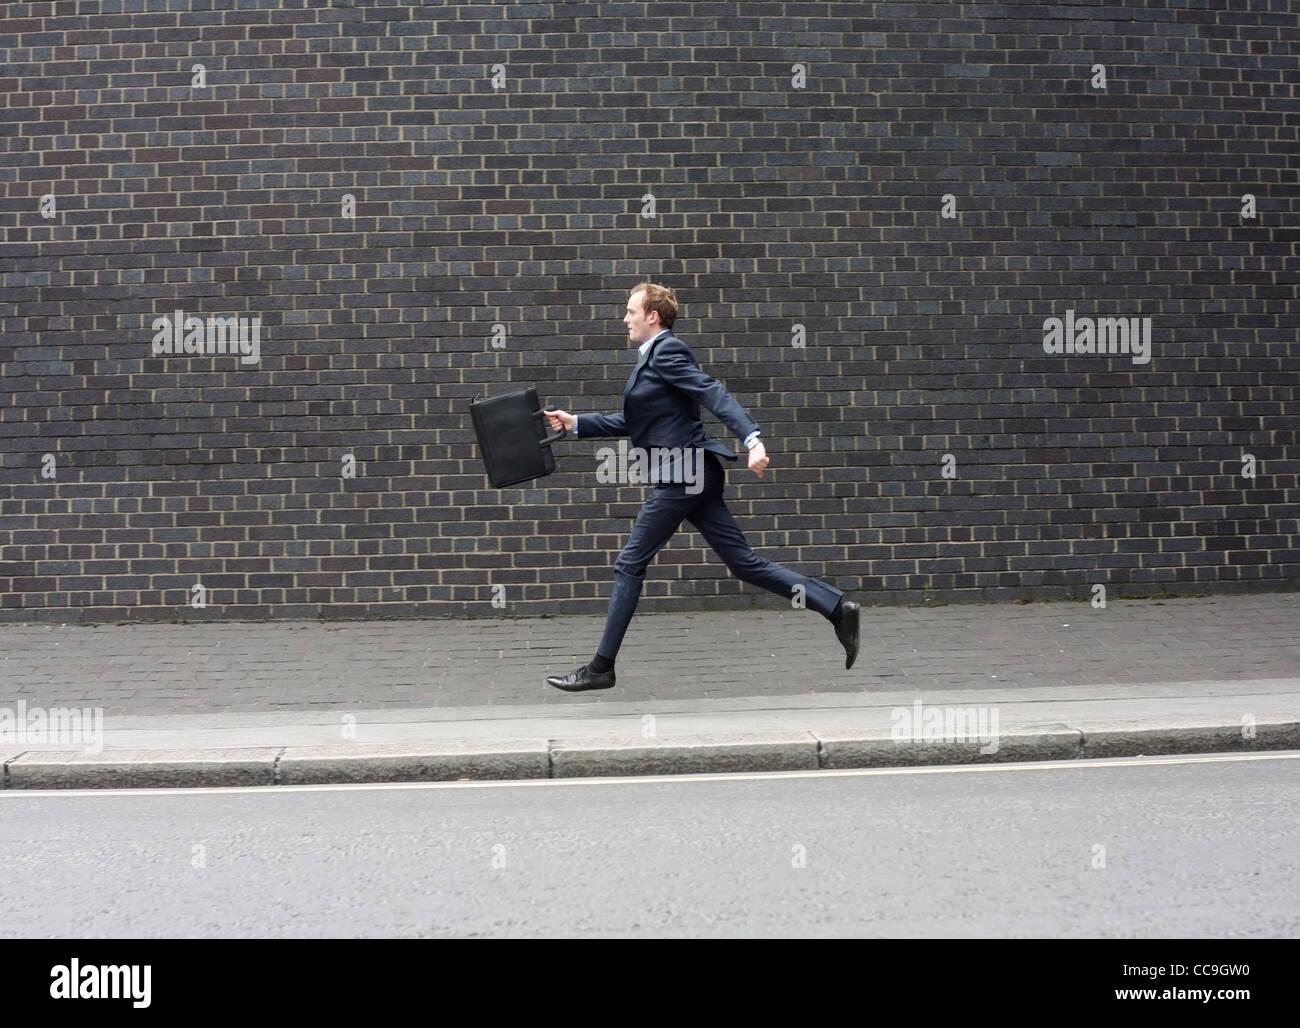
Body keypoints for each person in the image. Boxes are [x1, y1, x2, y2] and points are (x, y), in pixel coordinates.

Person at [542, 283, 859, 691]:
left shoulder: (668, 352)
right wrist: (576, 423)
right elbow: (636, 423)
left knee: (628, 564)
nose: (625, 319)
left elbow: (712, 392)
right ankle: (836, 608)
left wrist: (752, 439)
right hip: (696, 475)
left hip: (683, 476)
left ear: (652, 316)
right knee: (743, 563)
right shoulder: (652, 360)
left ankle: (601, 668)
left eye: (630, 312)